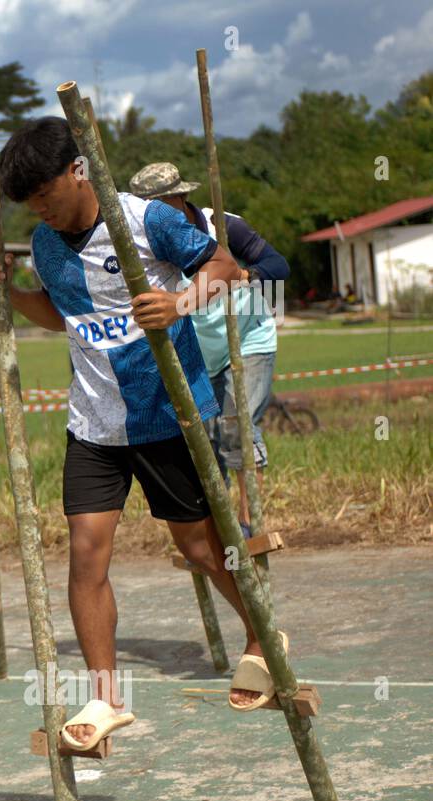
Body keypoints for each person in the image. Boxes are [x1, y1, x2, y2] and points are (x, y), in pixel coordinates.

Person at [0, 118, 280, 748]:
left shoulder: (147, 221)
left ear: (77, 171)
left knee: (201, 549)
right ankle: (107, 697)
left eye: (46, 195)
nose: (40, 210)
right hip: (93, 423)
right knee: (86, 551)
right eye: (29, 204)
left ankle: (262, 637)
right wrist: (6, 290)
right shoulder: (45, 244)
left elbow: (228, 268)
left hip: (170, 414)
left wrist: (179, 305)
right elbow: (62, 315)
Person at [128, 161, 288, 534]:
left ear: (181, 198)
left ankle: (252, 524)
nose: (149, 216)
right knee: (204, 440)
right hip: (197, 351)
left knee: (236, 426)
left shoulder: (224, 226)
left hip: (247, 340)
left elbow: (277, 265)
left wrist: (242, 276)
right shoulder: (141, 242)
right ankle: (225, 527)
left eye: (158, 206)